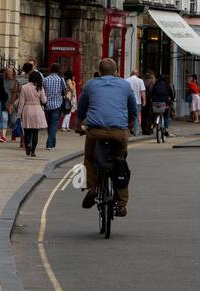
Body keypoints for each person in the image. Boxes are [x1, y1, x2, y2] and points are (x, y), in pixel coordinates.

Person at [78, 58, 140, 218]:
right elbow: (133, 110)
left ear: (99, 73)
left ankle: (92, 187)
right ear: (116, 72)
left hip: (95, 131)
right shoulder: (125, 85)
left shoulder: (91, 84)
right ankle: (121, 205)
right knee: (120, 163)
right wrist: (129, 127)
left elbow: (82, 108)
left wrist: (78, 126)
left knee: (90, 158)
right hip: (119, 132)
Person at [17, 70, 48, 157]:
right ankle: (33, 151)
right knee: (35, 132)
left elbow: (21, 102)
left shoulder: (24, 87)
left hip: (27, 109)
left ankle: (27, 147)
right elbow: (44, 100)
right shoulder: (40, 87)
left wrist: (19, 114)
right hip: (37, 109)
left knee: (27, 131)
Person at [41, 63, 66, 150]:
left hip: (47, 105)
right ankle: (49, 144)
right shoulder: (60, 79)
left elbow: (42, 91)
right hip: (57, 105)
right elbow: (65, 91)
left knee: (49, 125)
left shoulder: (45, 79)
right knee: (54, 125)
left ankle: (53, 144)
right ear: (58, 70)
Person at [126, 69, 146, 136]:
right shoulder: (140, 81)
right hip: (137, 102)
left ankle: (128, 131)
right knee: (136, 117)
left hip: (128, 102)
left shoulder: (127, 80)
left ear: (131, 73)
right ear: (137, 74)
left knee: (128, 117)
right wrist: (144, 101)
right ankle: (136, 132)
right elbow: (143, 91)